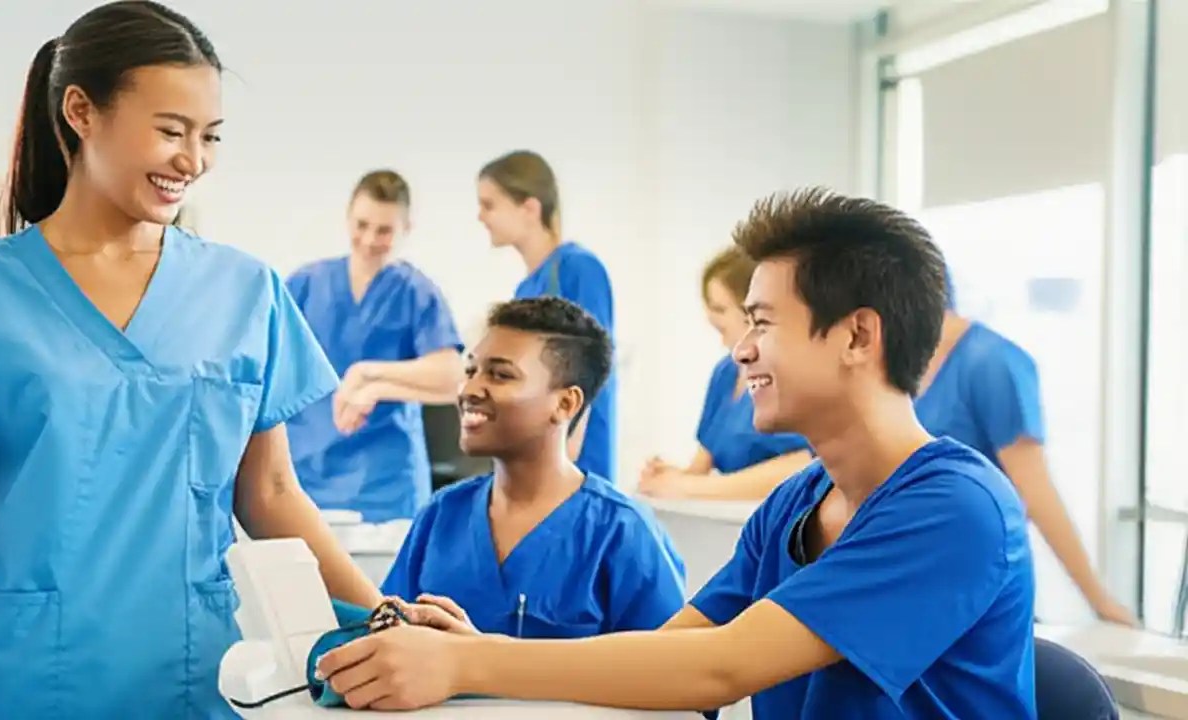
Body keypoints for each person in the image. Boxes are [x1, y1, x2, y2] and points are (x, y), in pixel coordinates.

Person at [316, 188, 1038, 719]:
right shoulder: (796, 504)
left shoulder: (954, 507)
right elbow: (669, 654)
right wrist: (483, 662)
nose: (741, 349)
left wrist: (470, 660)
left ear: (856, 336)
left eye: (761, 323)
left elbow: (719, 669)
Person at [0, 3, 381, 718]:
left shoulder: (244, 291)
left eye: (210, 136)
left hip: (194, 678)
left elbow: (273, 495)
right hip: (23, 680)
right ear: (81, 111)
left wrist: (386, 621)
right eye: (170, 131)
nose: (193, 160)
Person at [380, 297, 685, 638]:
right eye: (470, 371)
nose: (469, 389)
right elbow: (386, 636)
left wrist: (482, 663)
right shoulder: (440, 517)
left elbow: (668, 677)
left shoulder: (624, 534)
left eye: (499, 375)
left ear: (565, 403)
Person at [916, 276, 1137, 626]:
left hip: (979, 589)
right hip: (922, 585)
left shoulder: (991, 363)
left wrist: (1100, 600)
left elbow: (1035, 489)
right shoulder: (902, 368)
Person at [285, 170, 464, 522]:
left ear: (406, 229)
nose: (369, 239)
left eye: (384, 231)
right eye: (361, 224)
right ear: (347, 217)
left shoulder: (416, 292)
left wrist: (371, 377)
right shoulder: (306, 284)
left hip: (384, 486)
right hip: (305, 477)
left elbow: (452, 376)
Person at [477, 150, 617, 482]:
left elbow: (589, 368)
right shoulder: (527, 287)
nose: (480, 216)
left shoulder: (577, 268)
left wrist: (562, 461)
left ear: (529, 208)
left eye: (489, 205)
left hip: (575, 467)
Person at [639, 246, 812, 500]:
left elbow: (802, 467)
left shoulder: (788, 375)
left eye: (719, 309)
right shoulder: (725, 373)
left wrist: (688, 487)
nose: (710, 317)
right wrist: (672, 476)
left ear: (753, 312)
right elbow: (702, 465)